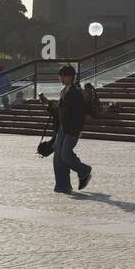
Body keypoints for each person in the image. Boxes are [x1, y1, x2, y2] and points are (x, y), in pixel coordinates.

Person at [46, 65, 92, 194]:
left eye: (63, 75)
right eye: (60, 75)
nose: (60, 78)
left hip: (71, 129)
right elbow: (61, 110)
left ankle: (84, 170)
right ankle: (63, 185)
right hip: (62, 128)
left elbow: (79, 114)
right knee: (58, 157)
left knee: (65, 155)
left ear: (70, 77)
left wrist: (74, 131)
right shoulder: (64, 90)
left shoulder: (76, 93)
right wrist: (48, 104)